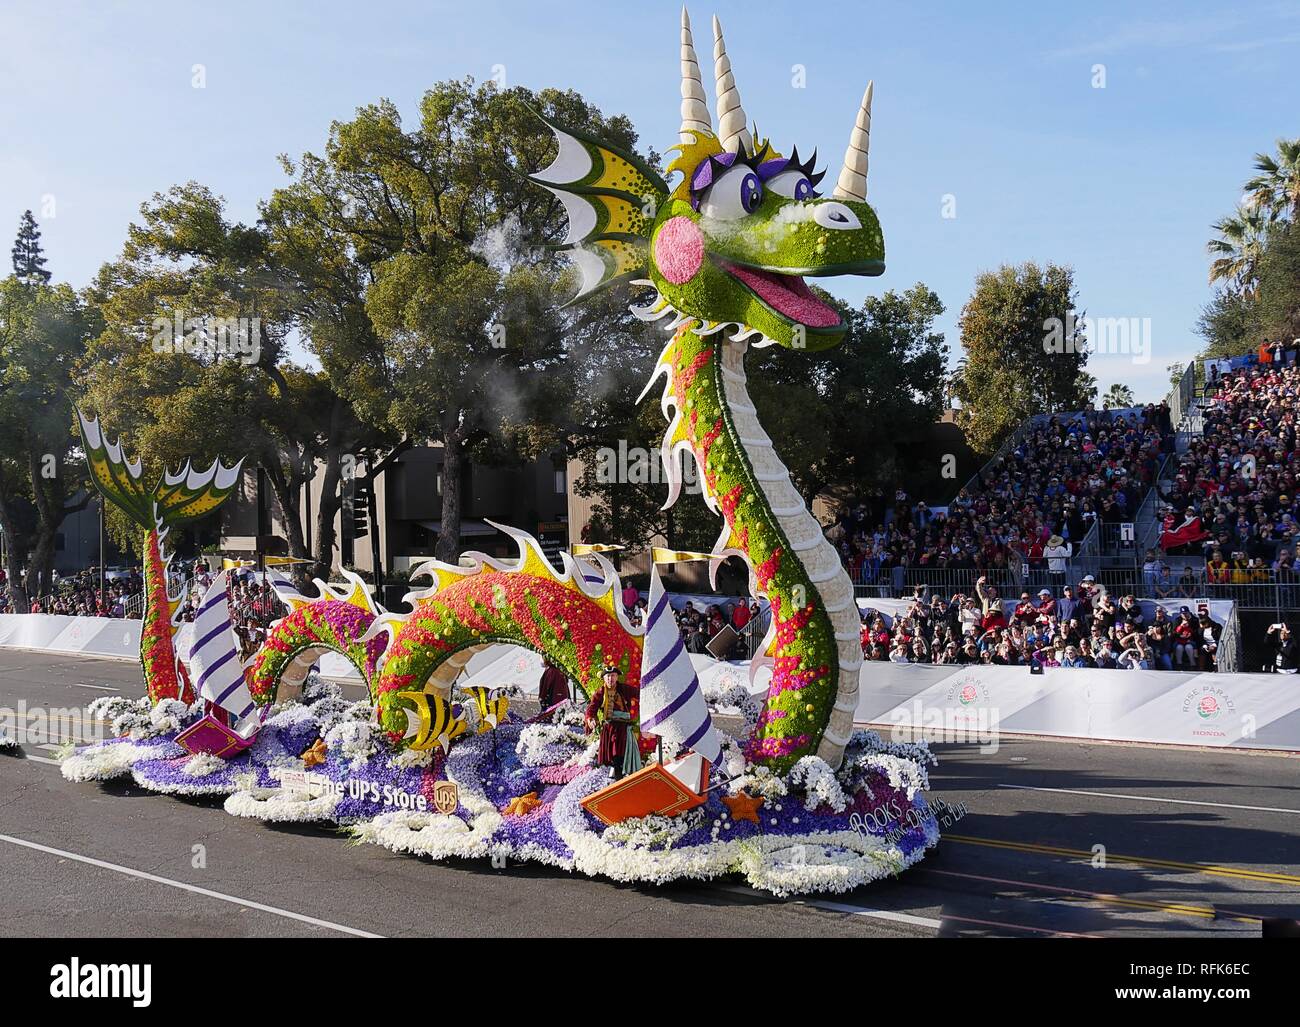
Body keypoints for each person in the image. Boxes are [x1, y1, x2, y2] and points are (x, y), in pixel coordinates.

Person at [584, 664, 641, 779]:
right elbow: (591, 709)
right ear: (604, 678)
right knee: (615, 755)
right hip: (611, 728)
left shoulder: (624, 689)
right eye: (608, 676)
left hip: (624, 728)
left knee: (624, 755)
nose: (610, 679)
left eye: (613, 676)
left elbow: (640, 693)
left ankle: (622, 776)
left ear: (617, 677)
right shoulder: (600, 692)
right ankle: (617, 777)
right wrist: (591, 719)